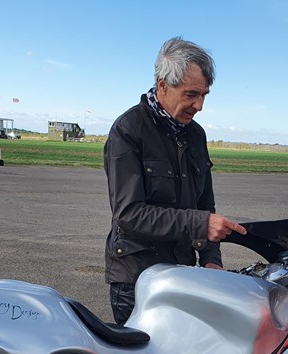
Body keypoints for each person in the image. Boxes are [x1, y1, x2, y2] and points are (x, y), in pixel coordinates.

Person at [103, 37, 246, 324]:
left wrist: (210, 259)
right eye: (192, 94)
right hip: (137, 281)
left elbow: (206, 205)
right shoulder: (128, 131)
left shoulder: (196, 135)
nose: (199, 105)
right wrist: (199, 224)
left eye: (204, 95)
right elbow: (130, 214)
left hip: (182, 276)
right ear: (163, 86)